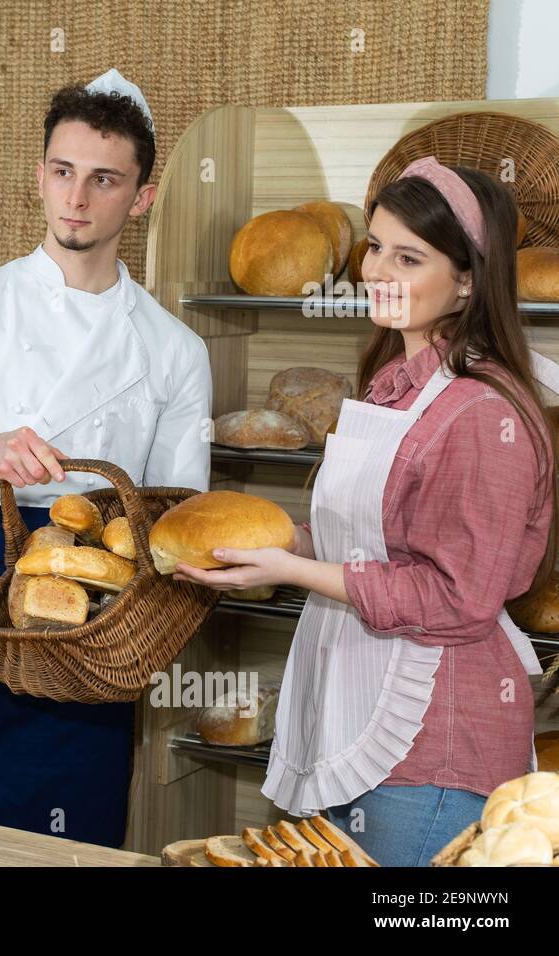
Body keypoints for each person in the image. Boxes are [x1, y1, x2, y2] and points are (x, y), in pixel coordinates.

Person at [176, 156, 559, 866]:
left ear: (469, 278)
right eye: (376, 246)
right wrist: (271, 540)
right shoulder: (395, 383)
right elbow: (375, 537)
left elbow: (461, 596)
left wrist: (292, 566)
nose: (378, 268)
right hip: (360, 709)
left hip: (434, 749)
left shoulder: (482, 411)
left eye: (408, 257)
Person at [0, 70, 211, 848]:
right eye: (62, 172)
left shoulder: (175, 352)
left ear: (143, 198)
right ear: (39, 177)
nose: (77, 198)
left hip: (93, 629)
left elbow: (171, 528)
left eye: (104, 179)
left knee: (74, 850)